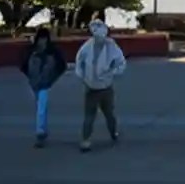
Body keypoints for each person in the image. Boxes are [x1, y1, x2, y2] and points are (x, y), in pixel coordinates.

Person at [74, 20, 127, 152]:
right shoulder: (87, 47)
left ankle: (113, 133)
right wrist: (82, 77)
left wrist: (112, 72)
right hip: (91, 87)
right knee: (89, 116)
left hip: (106, 88)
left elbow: (121, 63)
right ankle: (85, 140)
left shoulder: (112, 46)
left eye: (102, 36)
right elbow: (79, 62)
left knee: (109, 114)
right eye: (97, 36)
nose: (100, 39)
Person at [18, 26, 67, 148]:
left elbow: (62, 66)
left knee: (41, 106)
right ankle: (42, 130)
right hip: (35, 82)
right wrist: (30, 77)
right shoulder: (31, 51)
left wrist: (52, 78)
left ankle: (40, 132)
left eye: (44, 39)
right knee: (40, 106)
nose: (42, 41)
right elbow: (23, 65)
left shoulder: (53, 51)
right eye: (41, 38)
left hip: (45, 82)